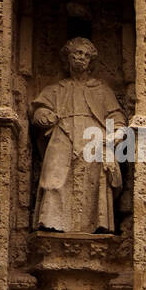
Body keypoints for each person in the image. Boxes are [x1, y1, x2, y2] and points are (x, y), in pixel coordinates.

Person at [31, 37, 123, 233]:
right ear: (68, 58)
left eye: (86, 55)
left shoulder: (101, 90)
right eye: (77, 53)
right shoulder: (56, 89)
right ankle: (52, 223)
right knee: (54, 178)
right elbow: (39, 109)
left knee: (94, 183)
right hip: (63, 134)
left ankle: (98, 225)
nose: (81, 58)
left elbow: (115, 115)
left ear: (91, 61)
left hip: (94, 138)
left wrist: (116, 132)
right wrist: (44, 116)